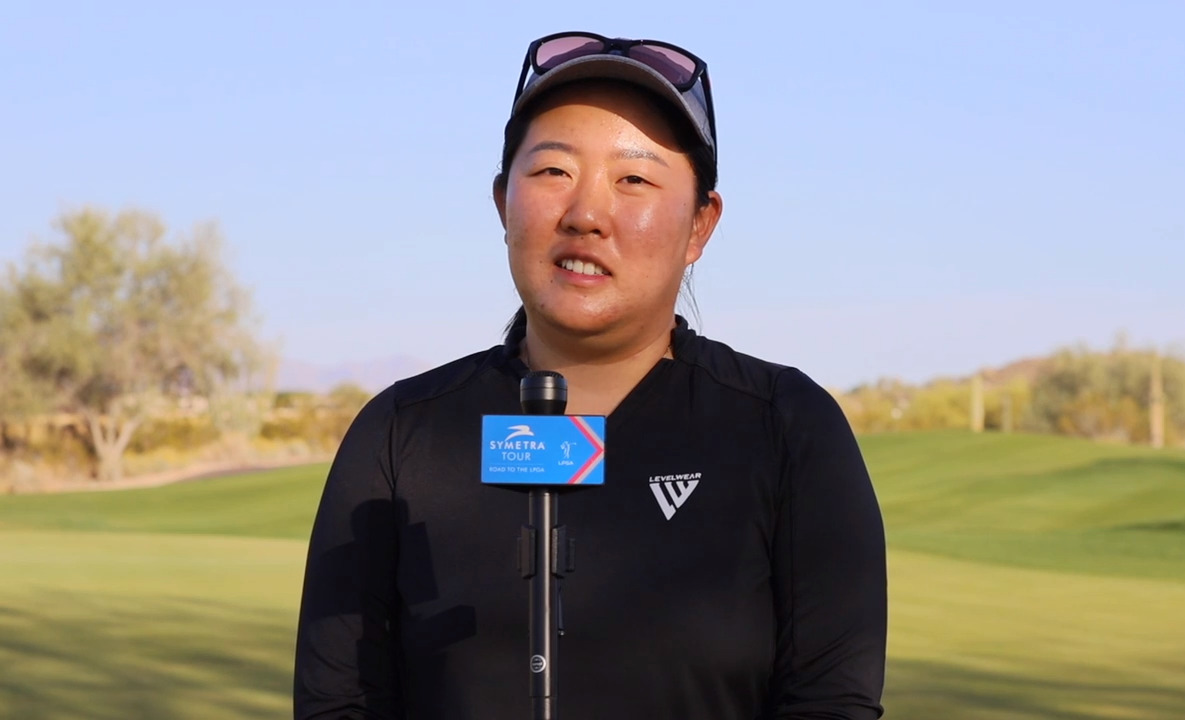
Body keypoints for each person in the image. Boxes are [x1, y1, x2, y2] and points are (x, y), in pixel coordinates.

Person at [293, 31, 888, 719]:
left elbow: (830, 702)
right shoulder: (400, 436)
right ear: (502, 202)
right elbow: (337, 702)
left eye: (633, 179)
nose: (585, 214)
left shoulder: (785, 427)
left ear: (700, 225)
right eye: (552, 173)